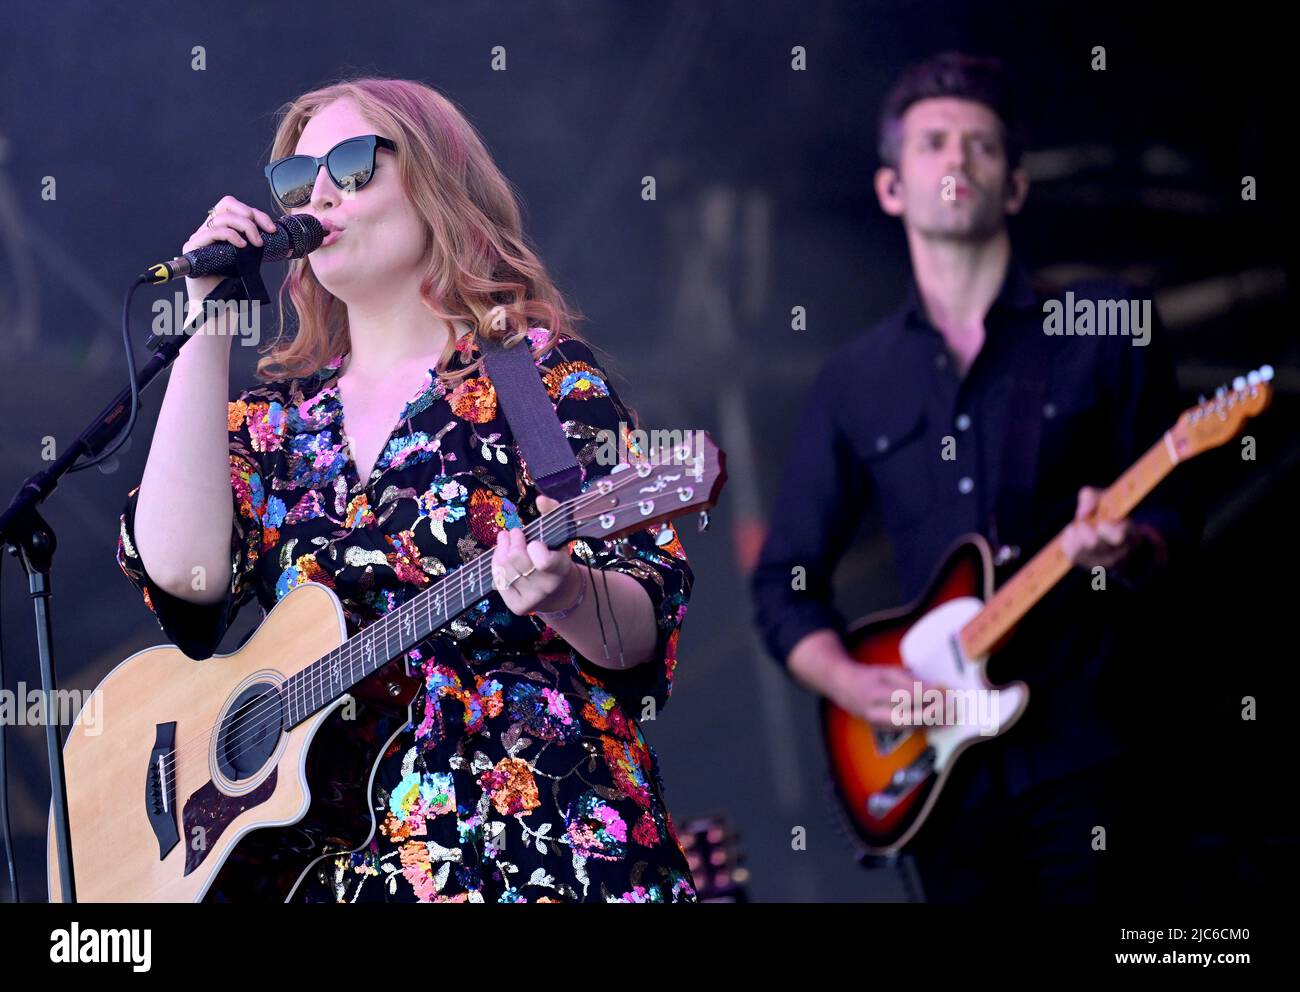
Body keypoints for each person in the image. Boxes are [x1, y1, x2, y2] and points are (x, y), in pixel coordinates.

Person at [115, 77, 697, 903]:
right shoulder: (274, 428)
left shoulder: (534, 378)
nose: (315, 193)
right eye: (294, 178)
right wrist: (208, 318)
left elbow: (639, 623)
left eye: (351, 165)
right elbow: (182, 576)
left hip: (534, 845)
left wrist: (565, 591)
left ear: (436, 184)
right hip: (335, 871)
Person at [749, 52, 1201, 902]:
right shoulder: (854, 379)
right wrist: (852, 683)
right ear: (892, 188)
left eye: (981, 147)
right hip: (940, 793)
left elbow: (1180, 525)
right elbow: (784, 582)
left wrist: (1130, 545)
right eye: (932, 144)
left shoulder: (1103, 328)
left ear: (1016, 187)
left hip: (1093, 757)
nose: (957, 161)